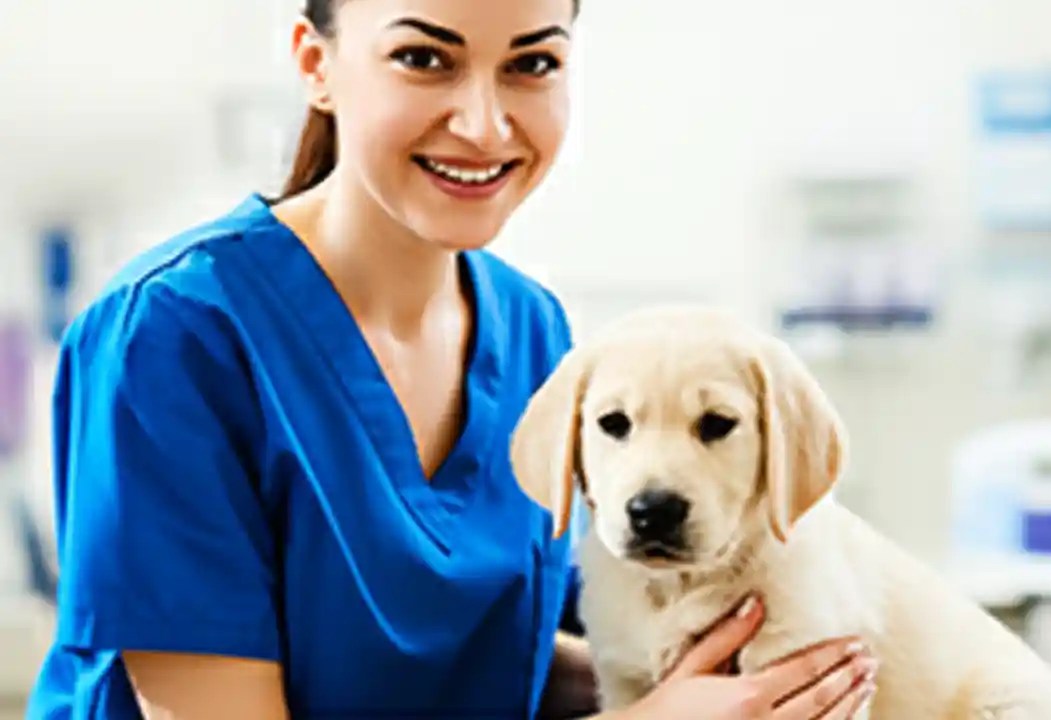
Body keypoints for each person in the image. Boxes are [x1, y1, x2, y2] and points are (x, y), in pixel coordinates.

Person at [25, 0, 879, 718]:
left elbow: (470, 650)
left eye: (531, 66)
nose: (484, 123)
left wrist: (740, 679)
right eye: (424, 58)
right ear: (315, 65)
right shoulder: (174, 333)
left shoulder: (537, 332)